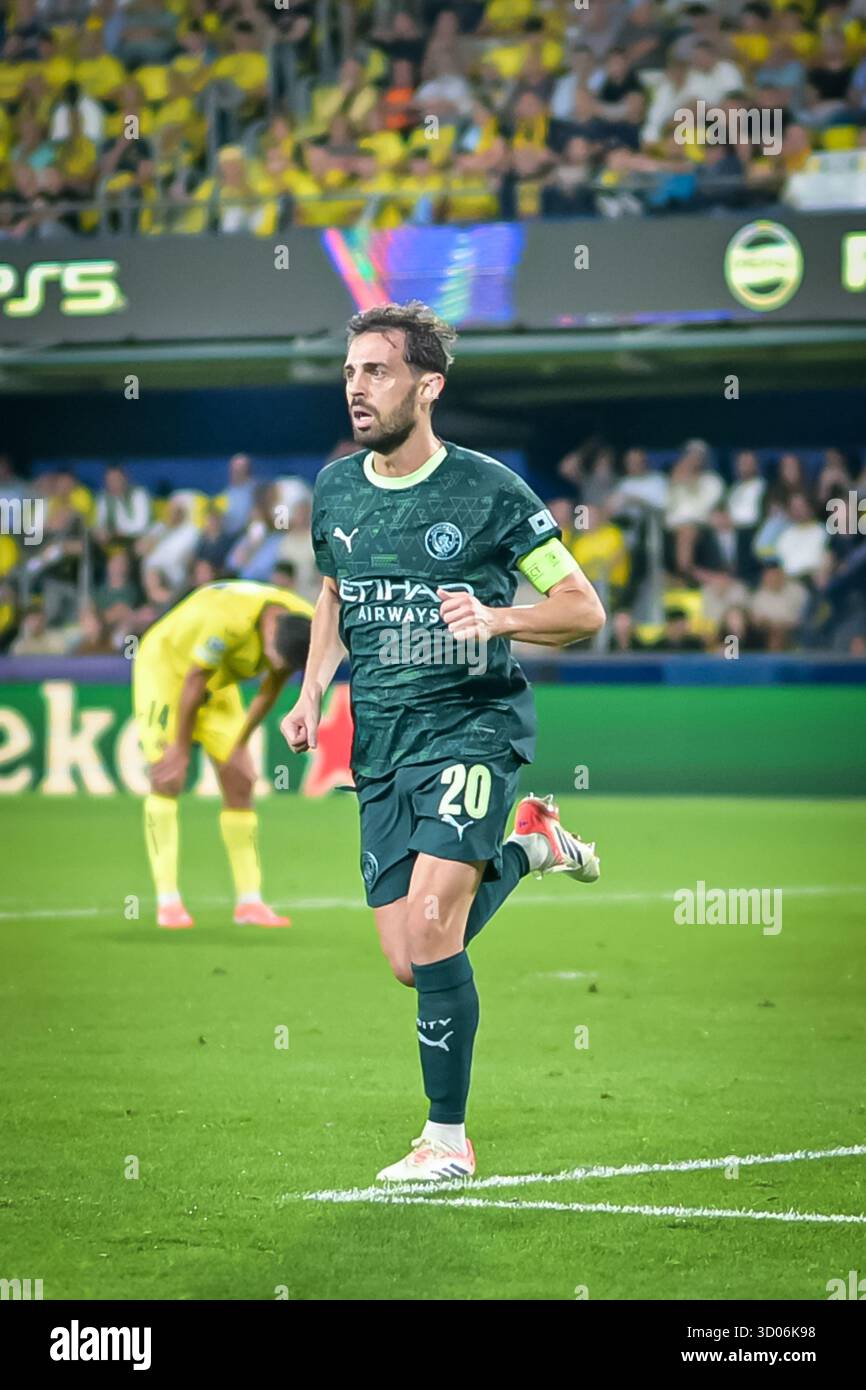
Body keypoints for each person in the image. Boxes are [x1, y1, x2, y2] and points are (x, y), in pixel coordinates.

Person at [281, 300, 605, 1184]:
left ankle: (446, 1140)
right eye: (349, 372)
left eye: (376, 371)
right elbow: (336, 596)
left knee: (431, 928)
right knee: (409, 960)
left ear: (428, 386)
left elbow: (583, 609)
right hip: (380, 743)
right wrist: (311, 690)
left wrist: (497, 616)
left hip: (473, 726)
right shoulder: (335, 488)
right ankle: (533, 848)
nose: (356, 387)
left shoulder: (491, 491)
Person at [133, 579, 313, 929]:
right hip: (168, 670)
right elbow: (193, 681)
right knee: (168, 777)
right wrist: (181, 749)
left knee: (240, 781)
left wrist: (241, 746)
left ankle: (249, 902)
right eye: (275, 662)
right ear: (269, 633)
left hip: (216, 682)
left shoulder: (303, 621)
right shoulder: (225, 622)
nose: (276, 670)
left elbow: (274, 683)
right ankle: (168, 901)